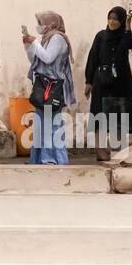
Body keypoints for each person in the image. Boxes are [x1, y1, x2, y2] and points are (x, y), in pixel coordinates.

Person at [84, 5, 132, 161]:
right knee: (99, 117)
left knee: (119, 117)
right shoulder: (101, 36)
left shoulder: (124, 36)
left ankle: (118, 151)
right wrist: (89, 82)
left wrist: (129, 27)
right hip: (101, 81)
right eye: (110, 18)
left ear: (121, 21)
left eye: (116, 19)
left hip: (120, 82)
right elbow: (92, 57)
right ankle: (101, 152)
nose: (112, 21)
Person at [23, 10, 75, 165]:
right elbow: (35, 59)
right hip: (43, 85)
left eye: (41, 23)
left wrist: (35, 43)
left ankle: (52, 159)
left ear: (51, 23)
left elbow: (47, 57)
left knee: (52, 124)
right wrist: (28, 45)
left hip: (52, 87)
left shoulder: (58, 38)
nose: (39, 26)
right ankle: (38, 158)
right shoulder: (47, 38)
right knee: (41, 125)